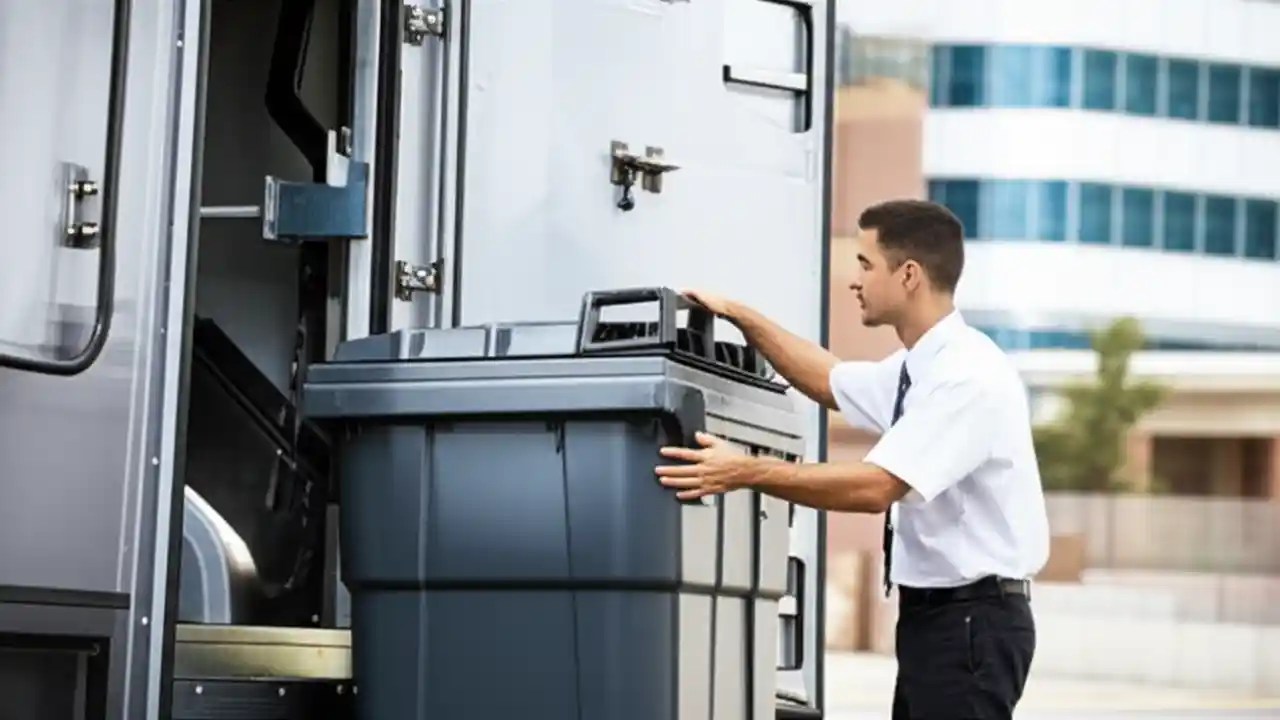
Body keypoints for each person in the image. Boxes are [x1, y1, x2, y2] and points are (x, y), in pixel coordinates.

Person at [655, 199, 1050, 719]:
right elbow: (829, 379)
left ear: (909, 275)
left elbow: (874, 487)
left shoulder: (967, 376)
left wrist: (746, 471)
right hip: (937, 620)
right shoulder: (919, 367)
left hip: (972, 621)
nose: (854, 280)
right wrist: (741, 316)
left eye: (865, 264)